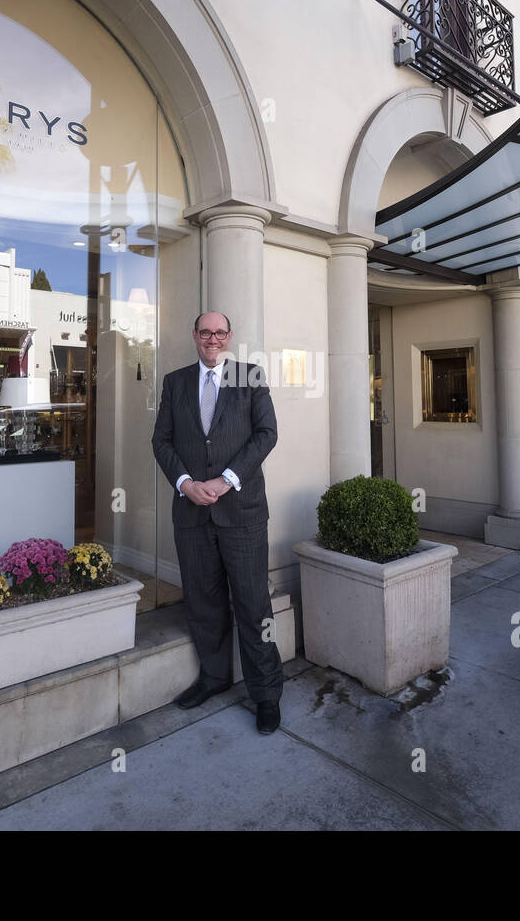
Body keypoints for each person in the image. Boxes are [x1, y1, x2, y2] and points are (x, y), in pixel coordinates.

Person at [151, 311, 284, 734]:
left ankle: (266, 694)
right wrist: (185, 482)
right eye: (205, 332)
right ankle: (214, 677)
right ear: (194, 335)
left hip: (240, 512)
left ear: (229, 336)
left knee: (252, 604)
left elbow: (266, 434)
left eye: (219, 332)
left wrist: (226, 481)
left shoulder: (251, 376)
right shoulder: (174, 382)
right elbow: (162, 440)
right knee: (202, 601)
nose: (212, 338)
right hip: (191, 511)